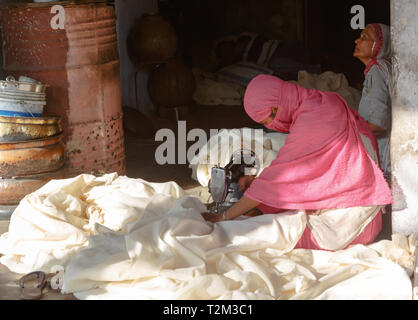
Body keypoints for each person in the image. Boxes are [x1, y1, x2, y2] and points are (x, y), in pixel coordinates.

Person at [202, 74, 392, 250]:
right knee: (264, 216)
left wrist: (225, 216)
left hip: (350, 223)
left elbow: (278, 180)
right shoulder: (322, 102)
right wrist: (256, 184)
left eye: (268, 120)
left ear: (276, 109)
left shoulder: (312, 121)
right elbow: (311, 173)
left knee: (255, 230)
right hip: (359, 206)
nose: (270, 126)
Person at [354, 23, 392, 180]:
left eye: (364, 38)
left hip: (383, 161)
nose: (357, 41)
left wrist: (347, 128)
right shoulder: (381, 69)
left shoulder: (376, 72)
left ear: (379, 46)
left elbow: (378, 124)